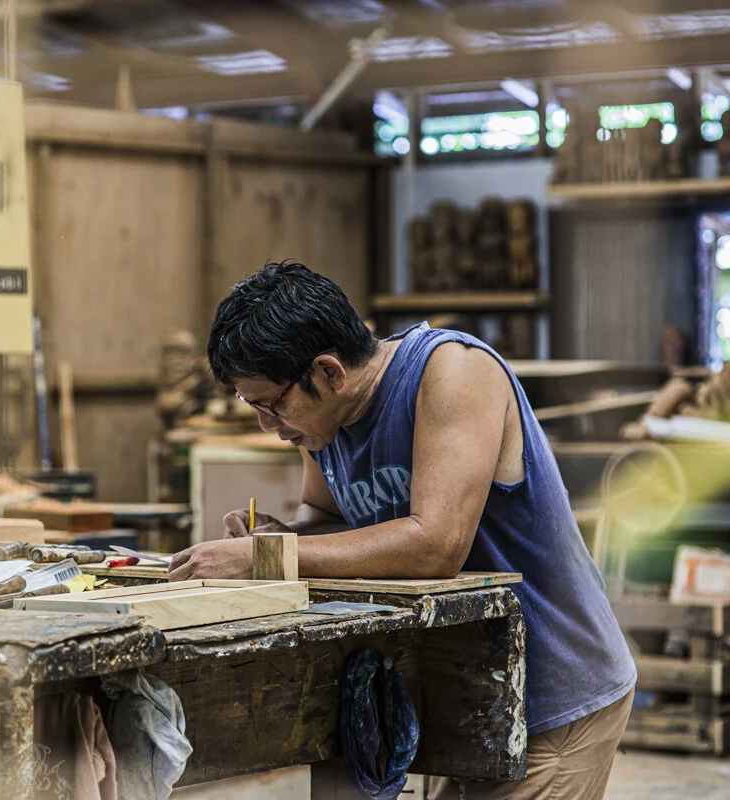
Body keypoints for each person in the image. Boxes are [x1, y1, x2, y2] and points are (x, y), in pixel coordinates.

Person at [169, 262, 635, 799]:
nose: (266, 425)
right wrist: (276, 537)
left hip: (553, 692)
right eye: (251, 405)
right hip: (463, 684)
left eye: (271, 404)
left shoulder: (452, 372)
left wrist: (270, 558)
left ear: (329, 372)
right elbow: (326, 521)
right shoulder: (322, 426)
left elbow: (436, 545)